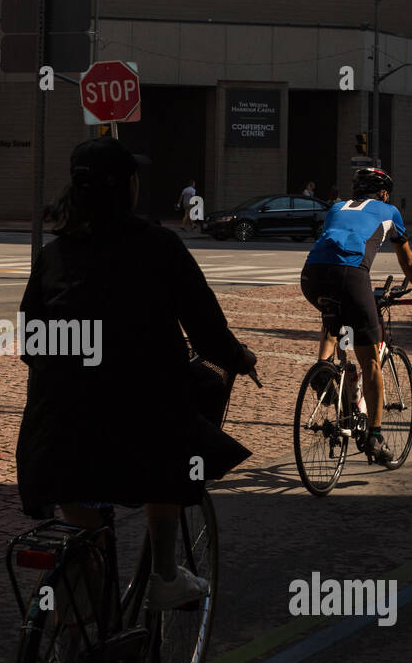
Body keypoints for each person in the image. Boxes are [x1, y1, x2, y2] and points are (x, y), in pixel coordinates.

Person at [17, 138, 258, 610]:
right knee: (170, 458)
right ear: (129, 186)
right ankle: (165, 577)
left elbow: (31, 345)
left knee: (82, 541)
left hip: (55, 433)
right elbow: (207, 334)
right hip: (139, 430)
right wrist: (240, 359)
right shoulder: (158, 246)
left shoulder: (54, 255)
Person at [299, 167, 412, 465]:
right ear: (384, 193)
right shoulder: (389, 211)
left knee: (333, 314)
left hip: (311, 276)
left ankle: (324, 367)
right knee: (371, 360)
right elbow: (409, 261)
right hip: (351, 276)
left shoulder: (336, 208)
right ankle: (374, 436)